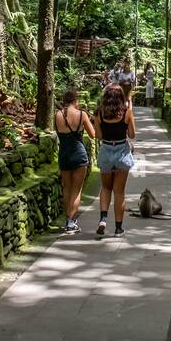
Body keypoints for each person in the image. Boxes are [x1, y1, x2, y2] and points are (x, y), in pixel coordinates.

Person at [93, 83, 136, 236]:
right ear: (121, 97)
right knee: (119, 192)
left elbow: (98, 136)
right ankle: (118, 228)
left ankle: (103, 219)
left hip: (106, 150)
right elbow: (131, 135)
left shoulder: (98, 113)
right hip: (121, 152)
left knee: (105, 188)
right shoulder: (126, 112)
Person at [55, 88, 95, 233]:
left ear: (63, 101)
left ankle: (68, 218)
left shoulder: (57, 115)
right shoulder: (81, 114)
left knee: (66, 187)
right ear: (75, 101)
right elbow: (93, 134)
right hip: (79, 154)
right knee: (77, 190)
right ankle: (71, 222)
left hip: (64, 154)